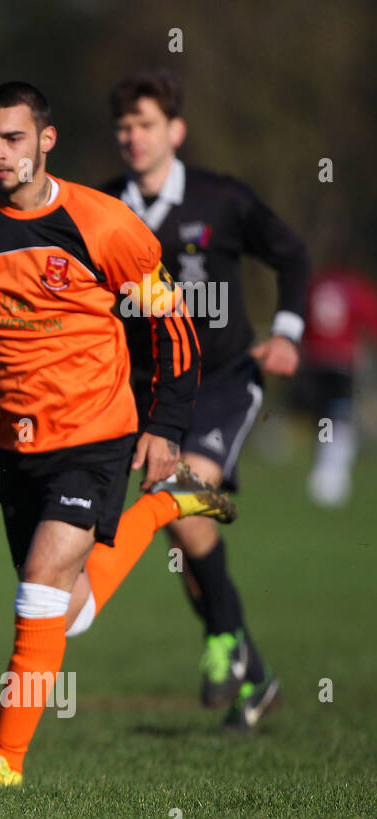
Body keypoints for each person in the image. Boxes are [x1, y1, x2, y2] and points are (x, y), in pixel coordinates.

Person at [0, 81, 233, 788]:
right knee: (62, 611)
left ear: (46, 141)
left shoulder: (102, 225)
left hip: (96, 435)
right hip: (14, 446)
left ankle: (3, 764)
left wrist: (165, 427)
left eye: (13, 138)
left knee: (42, 585)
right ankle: (167, 505)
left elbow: (173, 328)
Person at [101, 69, 310, 728]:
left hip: (224, 382)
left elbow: (293, 256)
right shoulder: (104, 209)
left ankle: (225, 644)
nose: (133, 138)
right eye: (125, 127)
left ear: (176, 131)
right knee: (182, 537)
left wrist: (287, 332)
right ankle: (254, 670)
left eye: (146, 125)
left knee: (180, 503)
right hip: (151, 397)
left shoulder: (221, 200)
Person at [297, 265, 377, 507]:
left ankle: (328, 463)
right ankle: (332, 465)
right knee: (337, 413)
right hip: (341, 359)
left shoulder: (317, 284)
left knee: (326, 416)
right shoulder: (354, 288)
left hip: (316, 358)